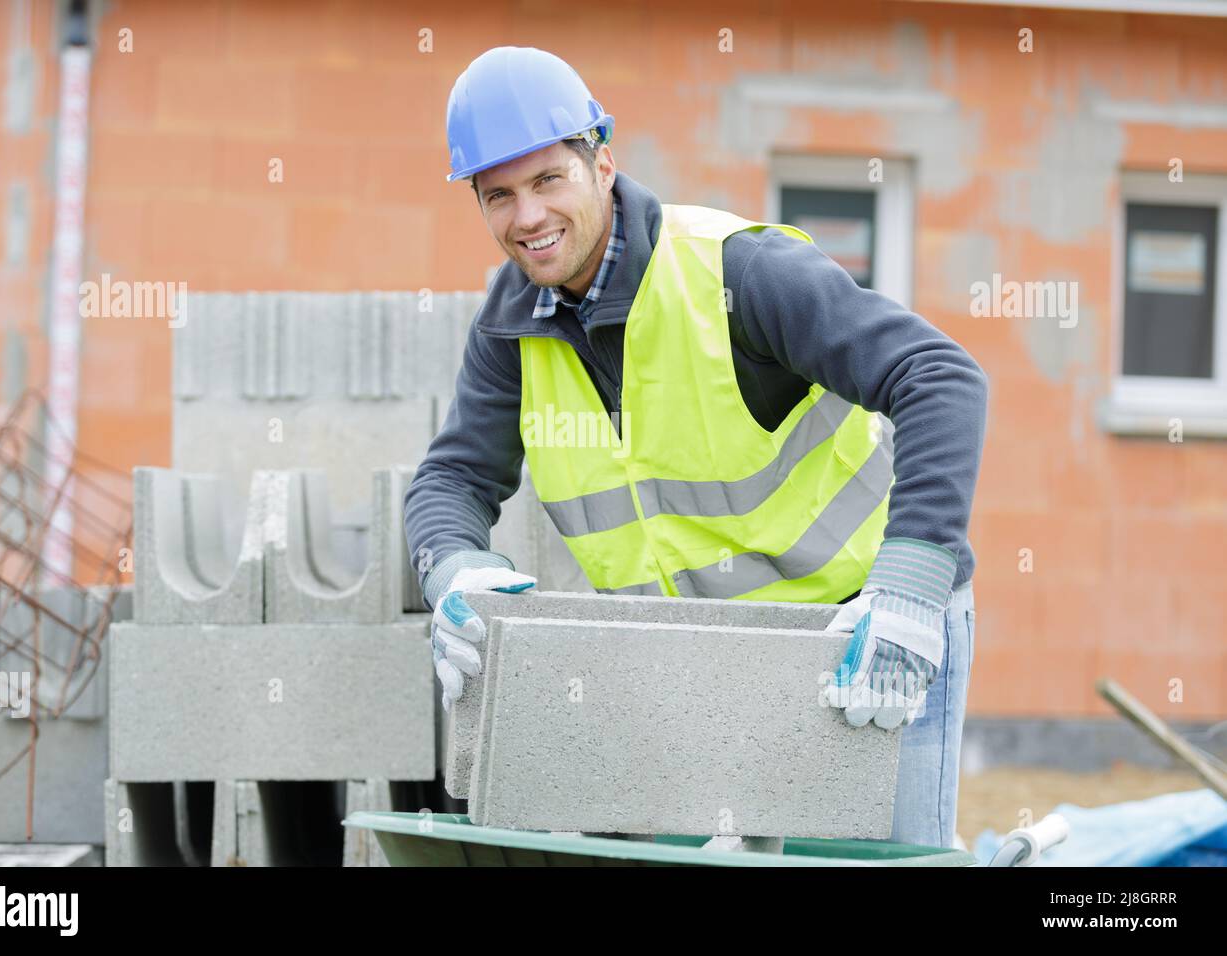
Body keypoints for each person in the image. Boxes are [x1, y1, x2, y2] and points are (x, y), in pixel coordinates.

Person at [404, 46, 987, 848]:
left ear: (602, 164)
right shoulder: (513, 325)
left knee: (882, 866)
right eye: (498, 195)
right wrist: (453, 569)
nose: (527, 216)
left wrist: (912, 592)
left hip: (868, 633)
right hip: (705, 663)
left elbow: (940, 376)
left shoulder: (737, 273)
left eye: (548, 180)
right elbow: (452, 479)